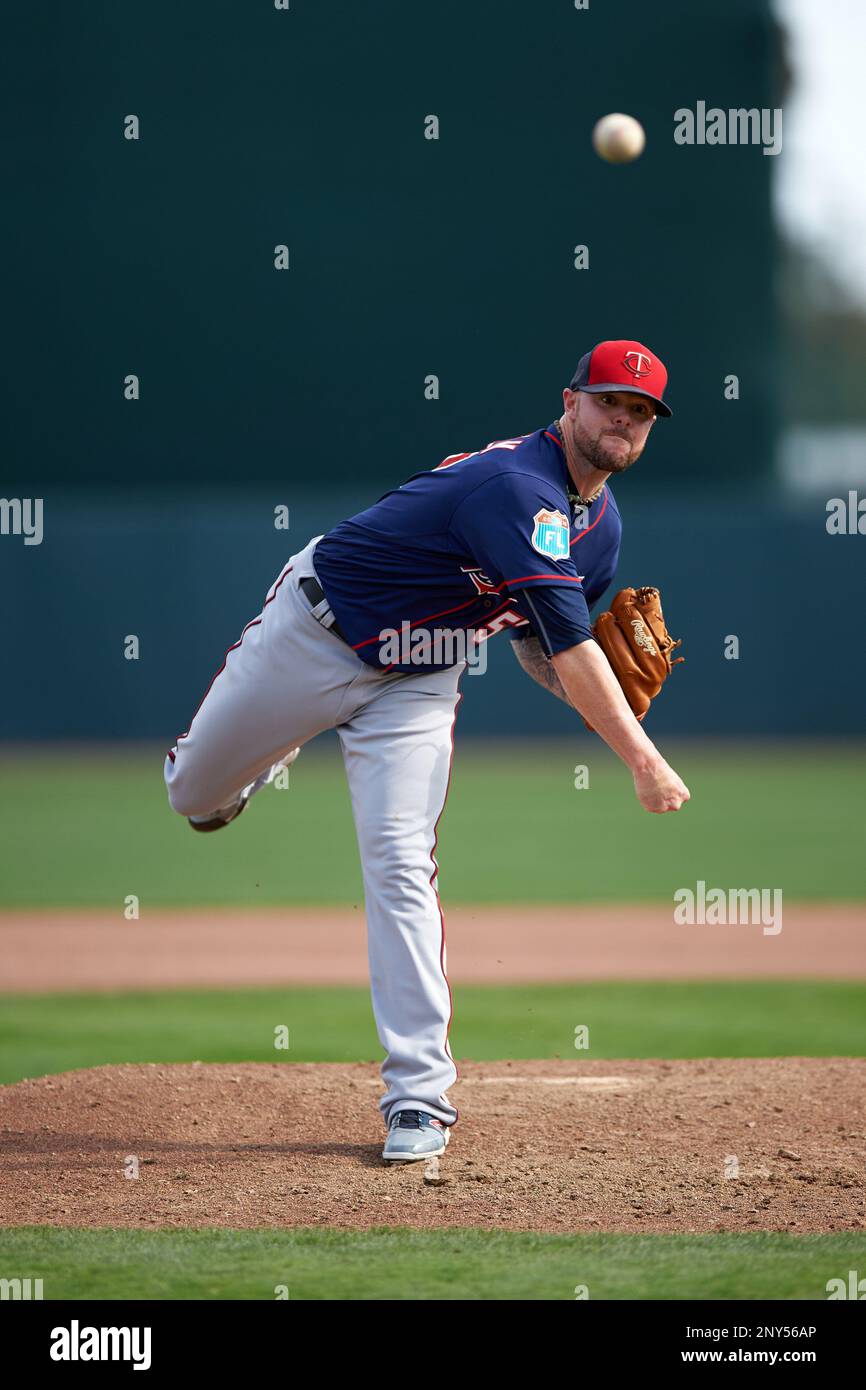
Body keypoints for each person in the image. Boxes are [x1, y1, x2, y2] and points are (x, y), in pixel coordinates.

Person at [164, 338, 690, 1162]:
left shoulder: (601, 528)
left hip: (419, 676)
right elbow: (578, 652)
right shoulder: (519, 487)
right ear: (570, 402)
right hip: (316, 634)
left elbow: (543, 645)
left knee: (400, 859)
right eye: (608, 401)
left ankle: (419, 1099)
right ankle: (262, 755)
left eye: (640, 412)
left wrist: (604, 697)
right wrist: (641, 755)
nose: (621, 420)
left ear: (650, 428)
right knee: (190, 795)